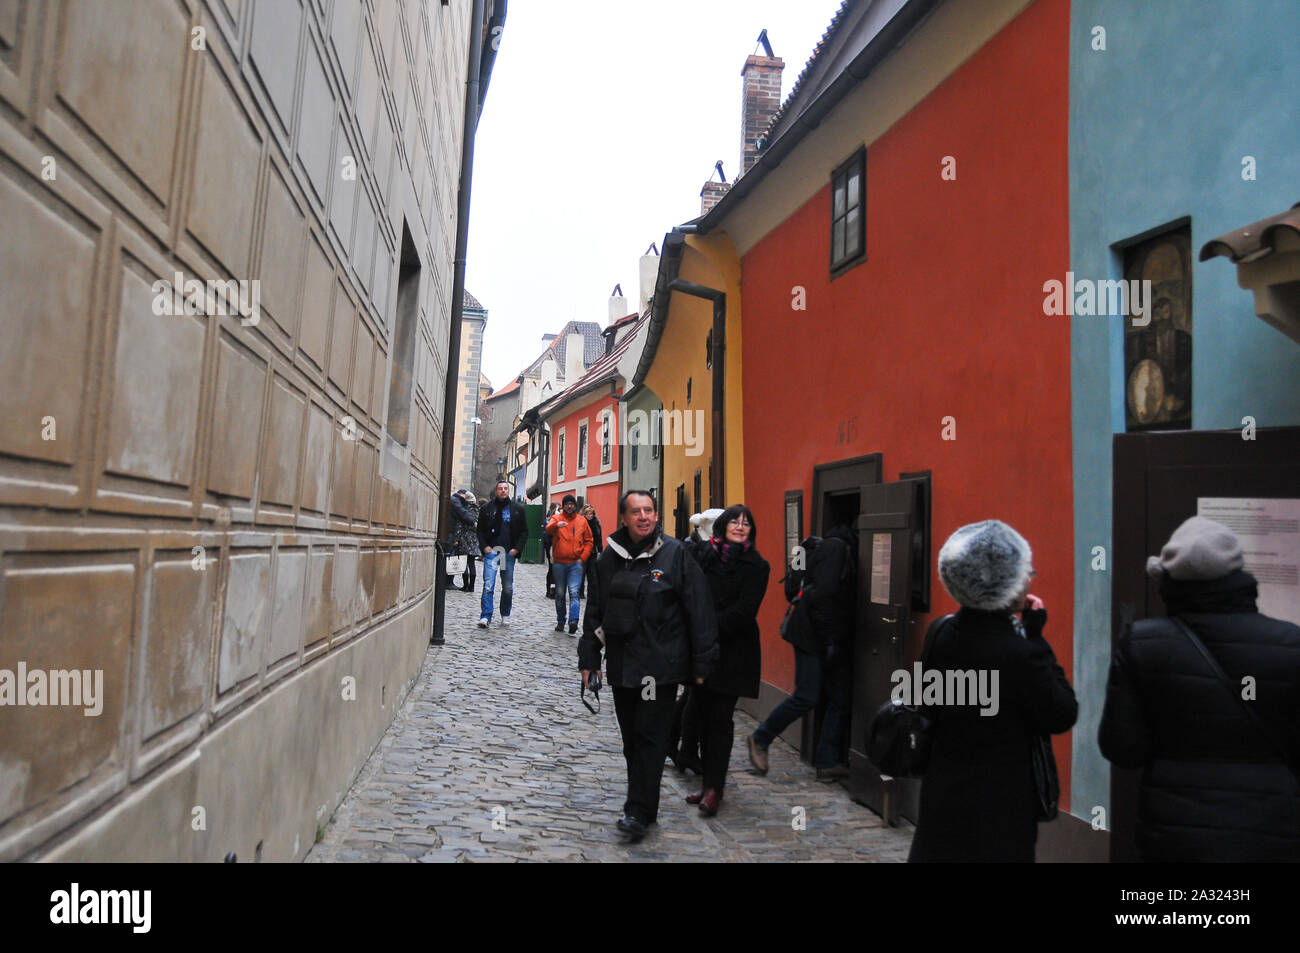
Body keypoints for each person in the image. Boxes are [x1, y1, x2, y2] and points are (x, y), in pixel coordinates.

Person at [1099, 516, 1300, 861]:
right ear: (1237, 578)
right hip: (1270, 827)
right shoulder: (1291, 643)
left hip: (1174, 830)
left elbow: (1123, 748)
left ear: (1169, 582)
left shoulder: (1143, 644)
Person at [907, 520, 1077, 862]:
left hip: (943, 793)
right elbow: (1061, 713)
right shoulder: (1020, 654)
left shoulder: (941, 633)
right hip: (1001, 804)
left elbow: (922, 701)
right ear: (1006, 583)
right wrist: (1037, 639)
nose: (1029, 578)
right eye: (1025, 572)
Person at [579, 489, 718, 842]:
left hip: (660, 667)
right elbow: (595, 612)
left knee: (650, 738)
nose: (644, 516)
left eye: (649, 511)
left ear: (656, 516)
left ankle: (637, 811)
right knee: (631, 742)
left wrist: (702, 663)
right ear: (623, 518)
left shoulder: (676, 555)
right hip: (623, 665)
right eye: (636, 511)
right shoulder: (608, 559)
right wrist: (589, 659)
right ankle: (646, 806)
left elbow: (699, 610)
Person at [747, 522, 857, 781]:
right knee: (807, 696)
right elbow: (823, 596)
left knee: (839, 698)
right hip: (811, 635)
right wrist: (829, 640)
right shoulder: (838, 548)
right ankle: (760, 738)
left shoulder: (834, 548)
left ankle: (827, 761)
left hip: (824, 635)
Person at [685, 504, 768, 816]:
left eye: (746, 523)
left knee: (721, 719)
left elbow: (745, 611)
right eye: (734, 521)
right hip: (704, 650)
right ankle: (708, 781)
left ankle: (715, 789)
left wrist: (705, 622)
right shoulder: (705, 555)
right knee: (704, 717)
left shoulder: (757, 565)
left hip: (735, 651)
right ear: (722, 526)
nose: (740, 526)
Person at [669, 508, 723, 774]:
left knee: (692, 693)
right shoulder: (694, 549)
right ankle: (686, 749)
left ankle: (676, 744)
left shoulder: (700, 546)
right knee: (695, 694)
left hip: (701, 629)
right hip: (696, 629)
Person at [474, 480, 528, 628]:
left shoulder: (517, 509)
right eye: (500, 488)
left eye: (505, 488)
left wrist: (516, 549)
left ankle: (505, 613)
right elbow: (480, 530)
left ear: (508, 491)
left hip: (507, 553)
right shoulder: (487, 509)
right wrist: (484, 547)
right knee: (488, 585)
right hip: (493, 551)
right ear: (496, 491)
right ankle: (485, 616)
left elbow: (524, 531)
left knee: (507, 587)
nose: (503, 491)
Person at [545, 494, 593, 635]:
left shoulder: (582, 521)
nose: (570, 506)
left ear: (575, 506)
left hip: (575, 563)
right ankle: (561, 621)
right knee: (560, 594)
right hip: (559, 563)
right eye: (567, 504)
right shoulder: (557, 518)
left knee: (574, 592)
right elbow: (548, 529)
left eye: (572, 504)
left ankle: (573, 621)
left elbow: (589, 541)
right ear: (563, 506)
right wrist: (556, 525)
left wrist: (583, 557)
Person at [446, 489, 480, 592]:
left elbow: (460, 527)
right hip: (474, 540)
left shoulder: (465, 510)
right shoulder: (478, 510)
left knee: (463, 563)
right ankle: (472, 587)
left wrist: (456, 539)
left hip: (464, 540)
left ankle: (465, 586)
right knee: (472, 563)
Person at [577, 504, 603, 599]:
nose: (590, 515)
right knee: (582, 572)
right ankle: (580, 592)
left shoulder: (596, 523)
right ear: (584, 514)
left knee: (592, 573)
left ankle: (591, 592)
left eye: (591, 514)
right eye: (588, 514)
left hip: (593, 551)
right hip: (583, 552)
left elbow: (599, 537)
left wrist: (600, 549)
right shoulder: (581, 523)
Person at [542, 502, 559, 599]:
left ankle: (554, 589)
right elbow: (547, 535)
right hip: (551, 547)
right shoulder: (548, 520)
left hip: (557, 547)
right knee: (552, 569)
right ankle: (550, 589)